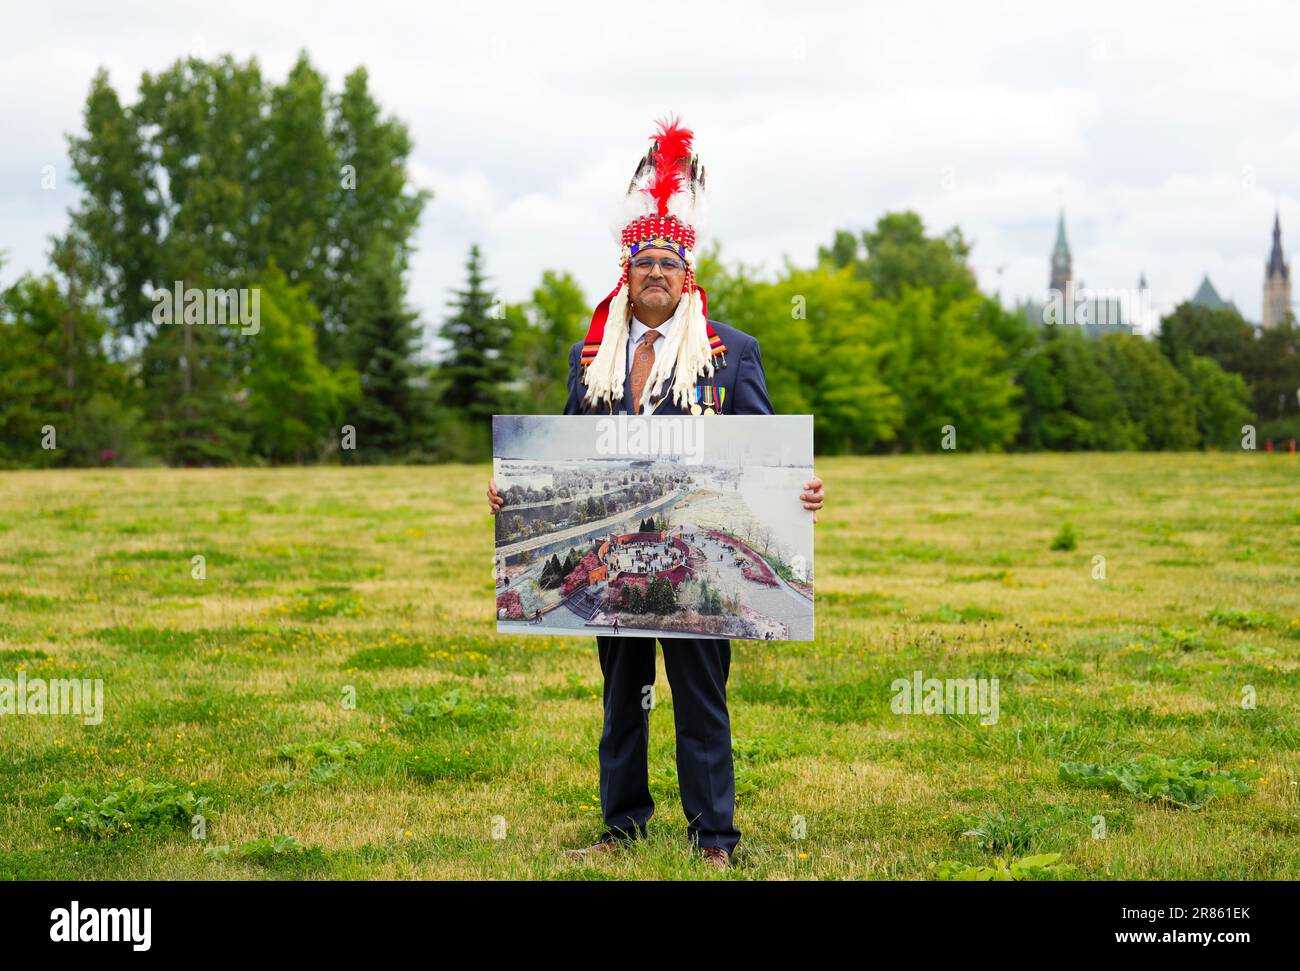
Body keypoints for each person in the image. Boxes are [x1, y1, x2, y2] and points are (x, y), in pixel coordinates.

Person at [488, 117, 824, 870]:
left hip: (695, 561)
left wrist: (798, 493)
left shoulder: (730, 353)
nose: (657, 272)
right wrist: (517, 493)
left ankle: (714, 836)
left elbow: (764, 450)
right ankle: (623, 826)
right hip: (613, 560)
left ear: (689, 274)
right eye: (645, 259)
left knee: (701, 696)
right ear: (626, 270)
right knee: (623, 696)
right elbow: (571, 449)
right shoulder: (592, 356)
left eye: (671, 260)